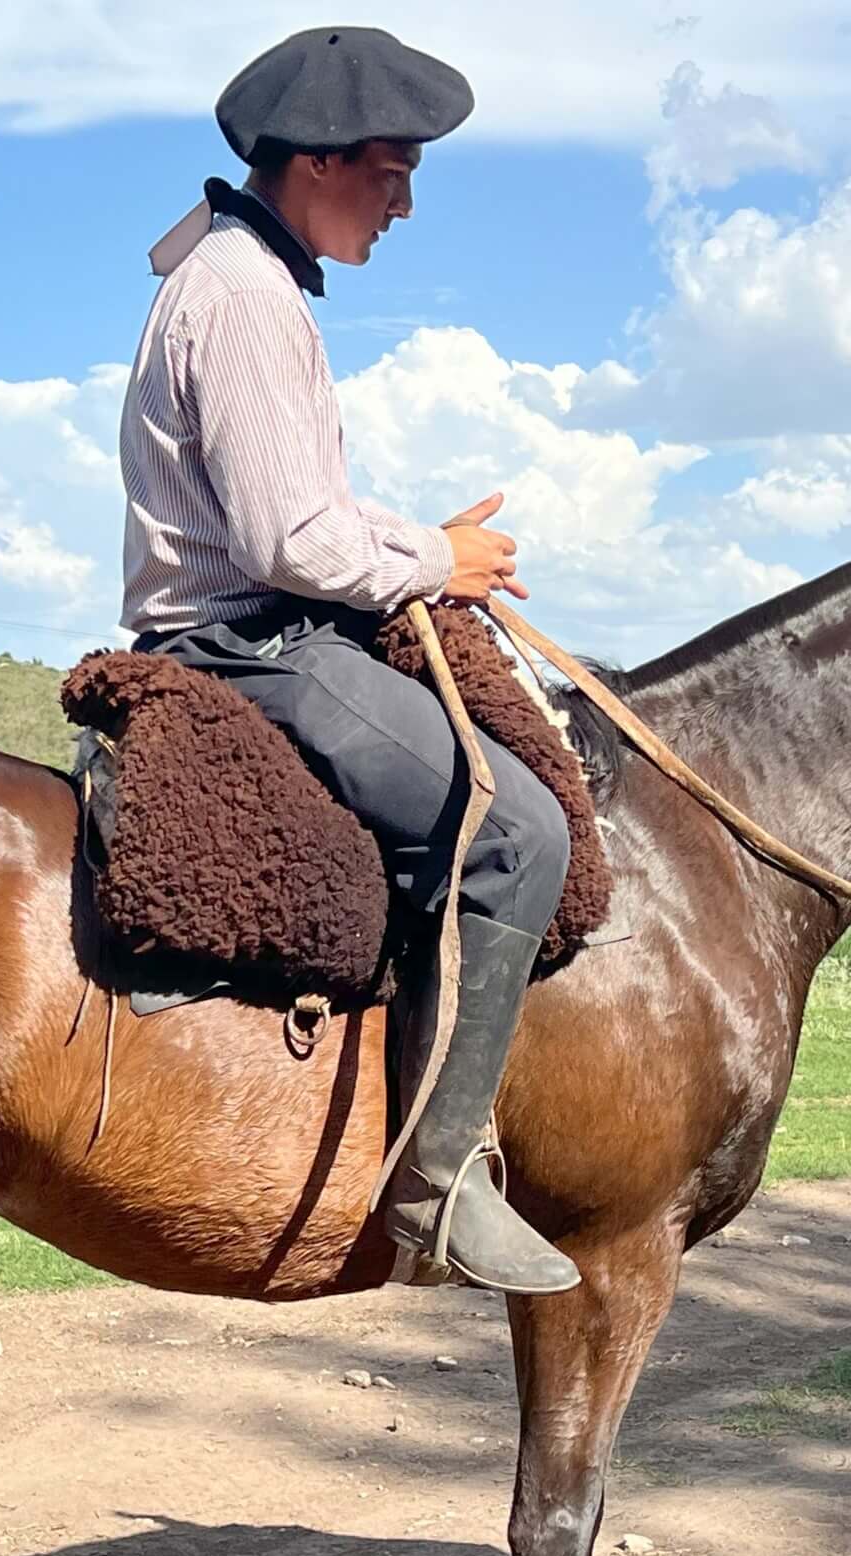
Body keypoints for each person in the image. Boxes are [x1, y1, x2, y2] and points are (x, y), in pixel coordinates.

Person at [118, 25, 579, 1297]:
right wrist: (435, 557)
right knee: (518, 832)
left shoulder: (237, 277)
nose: (404, 202)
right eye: (393, 169)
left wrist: (431, 550)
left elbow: (307, 511)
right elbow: (288, 540)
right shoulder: (244, 299)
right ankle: (438, 1179)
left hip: (264, 627)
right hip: (248, 648)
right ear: (316, 159)